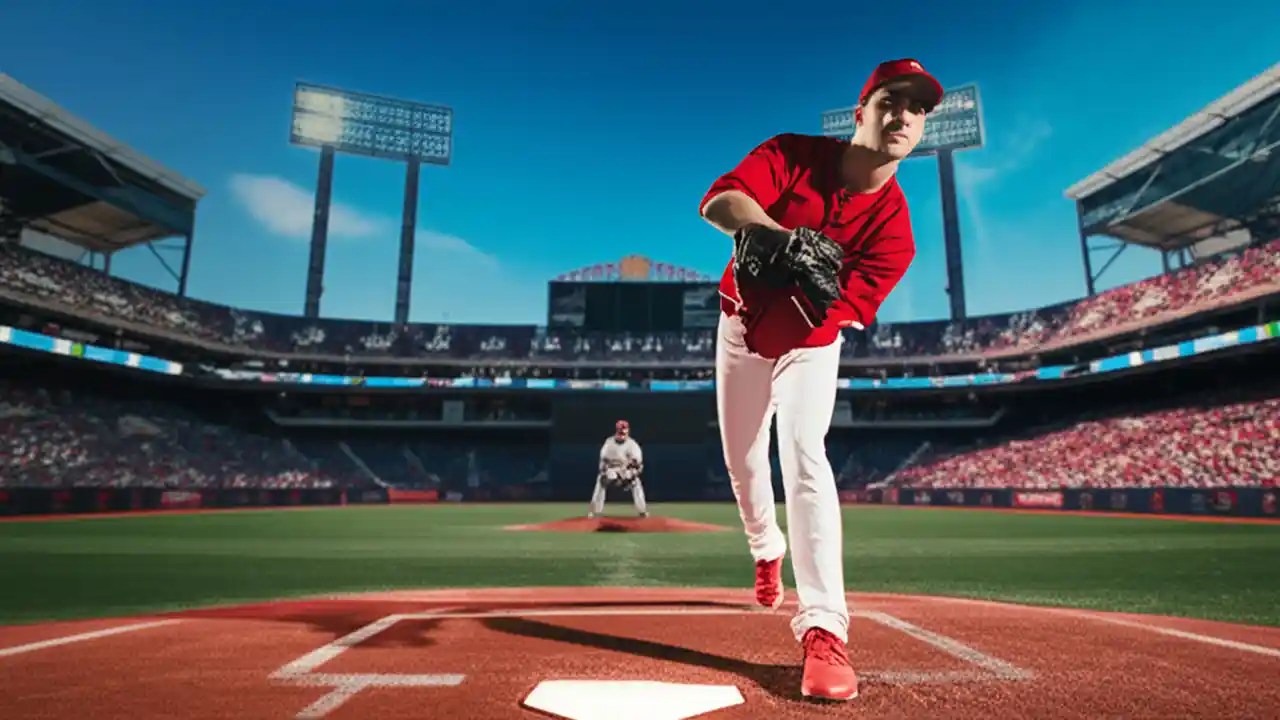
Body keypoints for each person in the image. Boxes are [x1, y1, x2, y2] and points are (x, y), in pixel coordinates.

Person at [697, 58, 941, 701]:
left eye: (918, 110)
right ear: (861, 111)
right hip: (736, 327)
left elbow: (829, 317)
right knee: (743, 463)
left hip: (810, 343)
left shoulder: (897, 236)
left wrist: (802, 274)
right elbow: (721, 200)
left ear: (921, 131)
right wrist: (778, 239)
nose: (904, 116)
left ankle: (825, 629)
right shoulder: (793, 154)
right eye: (892, 101)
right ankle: (764, 545)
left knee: (805, 452)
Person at [588, 419, 648, 518]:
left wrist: (629, 475)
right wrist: (608, 472)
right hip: (612, 471)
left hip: (626, 472)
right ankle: (595, 512)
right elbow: (603, 463)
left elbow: (638, 466)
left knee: (636, 483)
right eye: (620, 431)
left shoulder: (632, 445)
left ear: (628, 431)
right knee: (601, 480)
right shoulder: (609, 443)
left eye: (624, 431)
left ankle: (642, 511)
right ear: (616, 430)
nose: (622, 434)